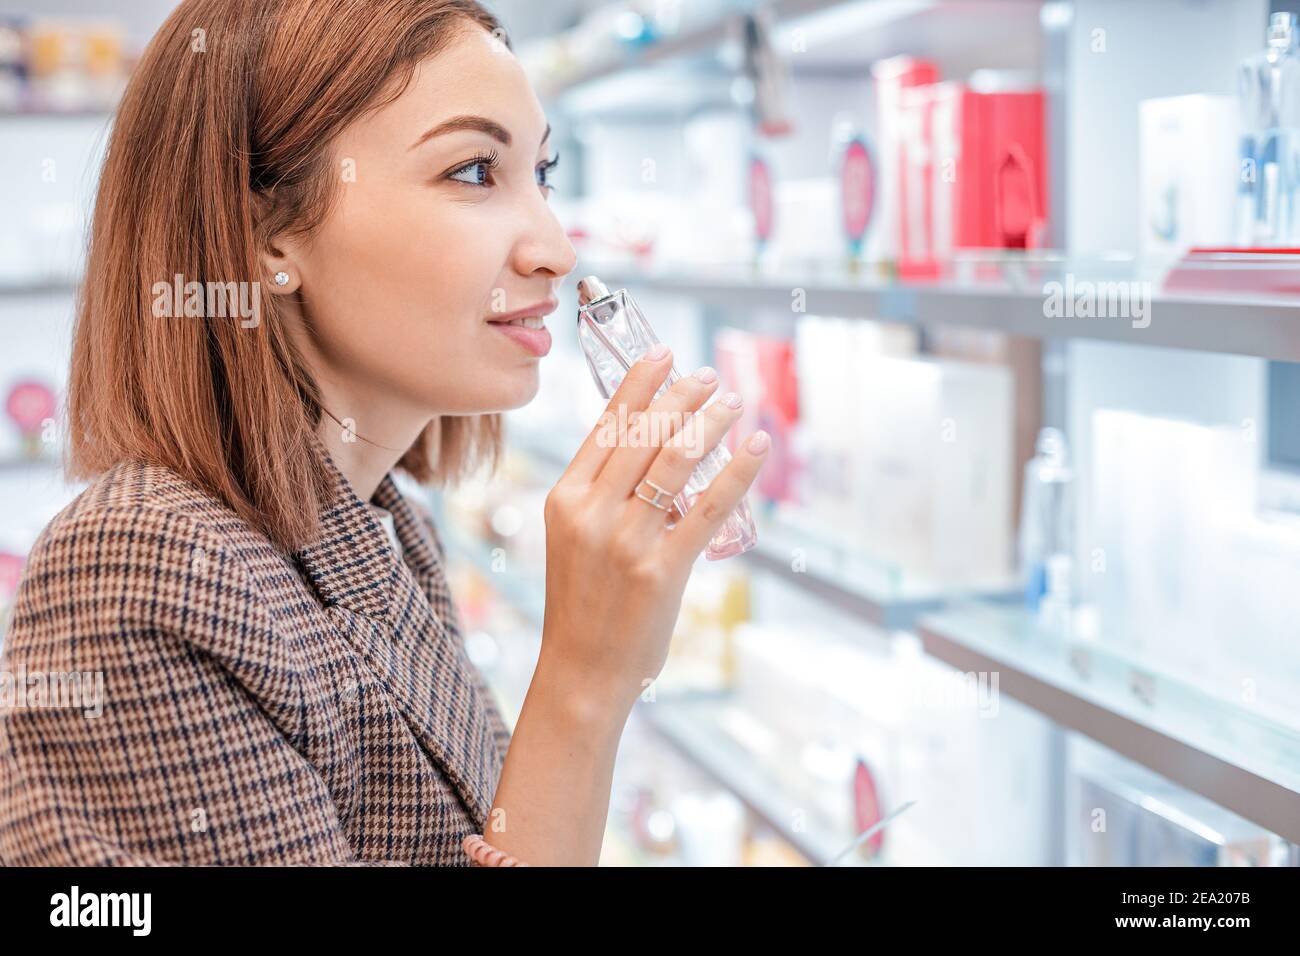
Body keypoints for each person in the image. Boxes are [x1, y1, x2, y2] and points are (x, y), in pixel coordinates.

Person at [0, 0, 769, 866]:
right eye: (475, 171)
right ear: (266, 232)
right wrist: (586, 682)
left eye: (542, 173)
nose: (555, 246)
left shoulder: (384, 524)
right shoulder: (138, 567)